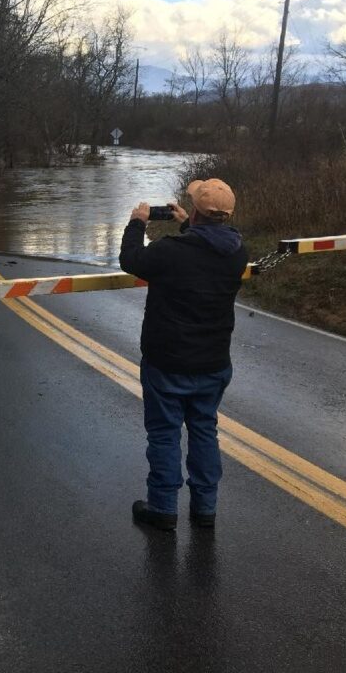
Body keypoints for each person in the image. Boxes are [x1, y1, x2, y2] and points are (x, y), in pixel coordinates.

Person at [119, 178, 248, 531]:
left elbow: (130, 259)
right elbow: (207, 248)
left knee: (164, 434)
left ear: (194, 210)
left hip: (168, 362)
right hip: (214, 361)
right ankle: (205, 509)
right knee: (204, 429)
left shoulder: (171, 252)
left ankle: (163, 508)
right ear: (226, 215)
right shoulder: (238, 250)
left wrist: (138, 221)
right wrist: (187, 225)